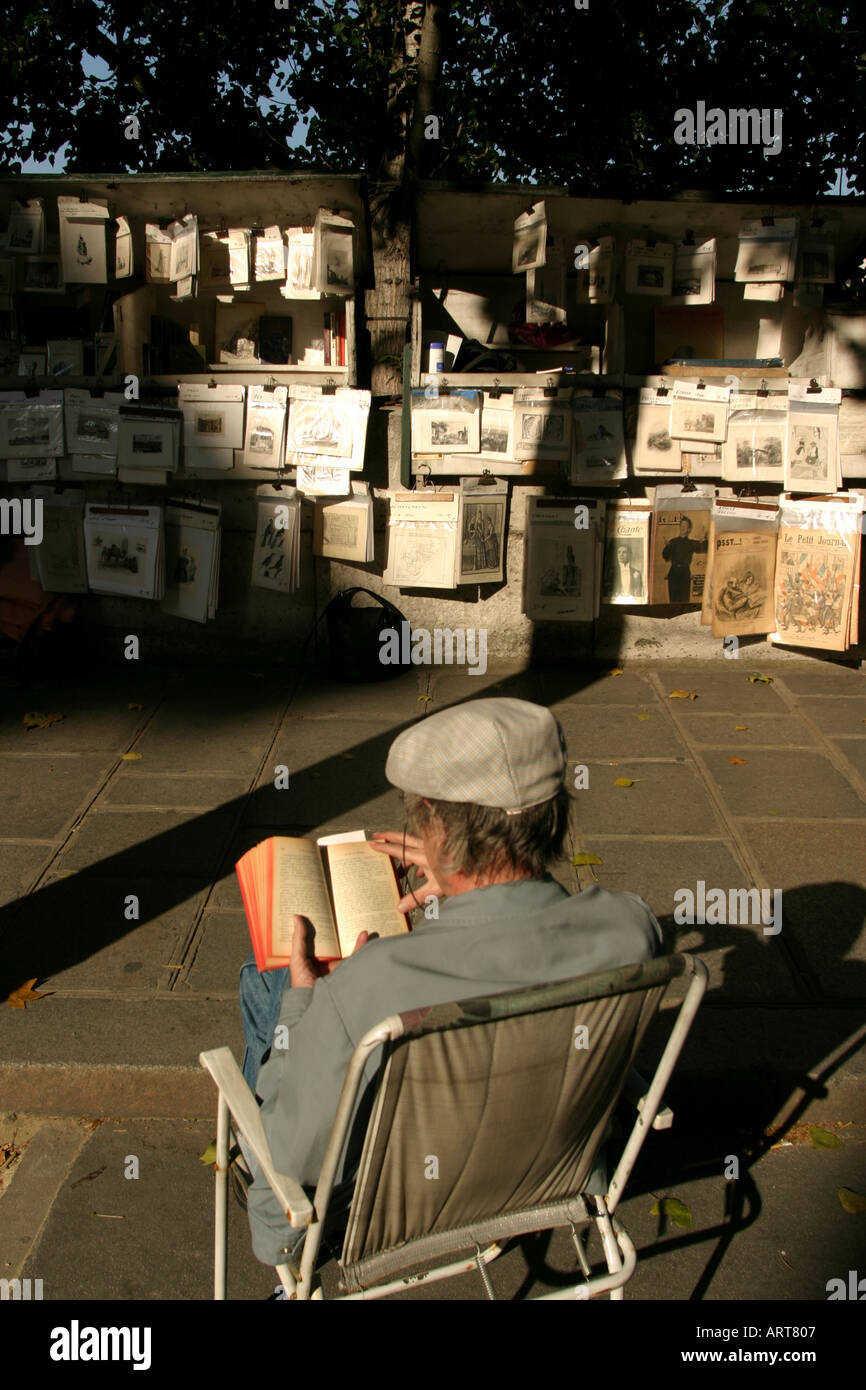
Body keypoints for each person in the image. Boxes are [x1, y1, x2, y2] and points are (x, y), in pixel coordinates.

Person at [238, 698, 662, 1269]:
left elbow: (291, 1153)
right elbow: (542, 918)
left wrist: (305, 1001)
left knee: (266, 981)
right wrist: (464, 873)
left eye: (424, 820)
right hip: (552, 1180)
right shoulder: (632, 930)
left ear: (437, 825)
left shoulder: (376, 981)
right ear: (554, 813)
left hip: (379, 1216)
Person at [662, 516, 707, 603]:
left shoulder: (691, 543)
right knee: (673, 602)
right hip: (673, 573)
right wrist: (667, 547)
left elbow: (703, 548)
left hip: (685, 574)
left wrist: (704, 538)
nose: (682, 527)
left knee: (685, 601)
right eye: (681, 525)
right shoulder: (673, 542)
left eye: (685, 526)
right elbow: (666, 557)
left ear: (689, 529)